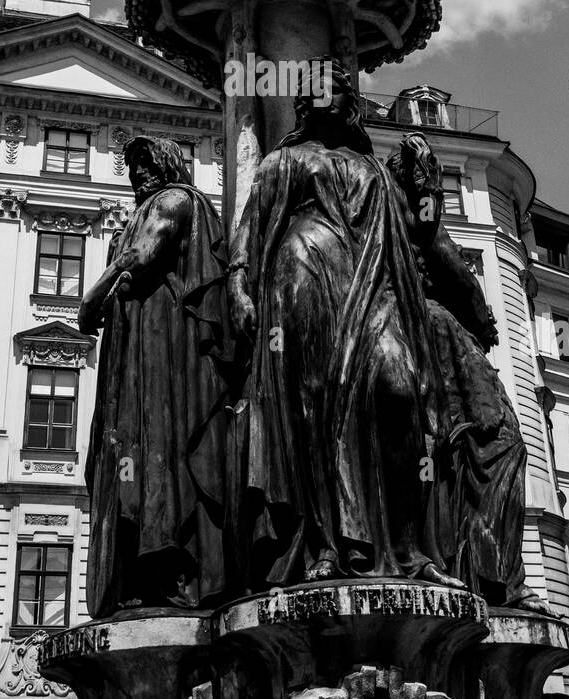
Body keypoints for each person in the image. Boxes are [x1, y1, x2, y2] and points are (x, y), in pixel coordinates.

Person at [227, 61, 465, 590]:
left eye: (326, 91)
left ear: (349, 102)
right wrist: (240, 284)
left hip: (374, 285)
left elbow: (420, 231)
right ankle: (327, 544)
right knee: (315, 410)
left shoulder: (376, 170)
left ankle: (407, 548)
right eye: (306, 94)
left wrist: (429, 184)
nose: (313, 100)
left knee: (399, 393)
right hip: (305, 278)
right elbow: (251, 229)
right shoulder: (283, 160)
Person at [386, 133, 550, 613]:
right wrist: (482, 317)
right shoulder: (416, 210)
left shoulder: (382, 209)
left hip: (414, 325)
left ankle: (473, 567)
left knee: (451, 452)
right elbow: (443, 252)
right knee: (501, 443)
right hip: (434, 327)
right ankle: (497, 579)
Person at [78, 136, 232, 612]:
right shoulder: (137, 214)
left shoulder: (175, 199)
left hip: (163, 343)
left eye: (146, 163)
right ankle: (137, 573)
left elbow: (142, 257)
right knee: (129, 448)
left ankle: (170, 569)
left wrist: (91, 298)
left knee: (157, 445)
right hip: (134, 343)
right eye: (132, 166)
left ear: (167, 163)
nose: (137, 173)